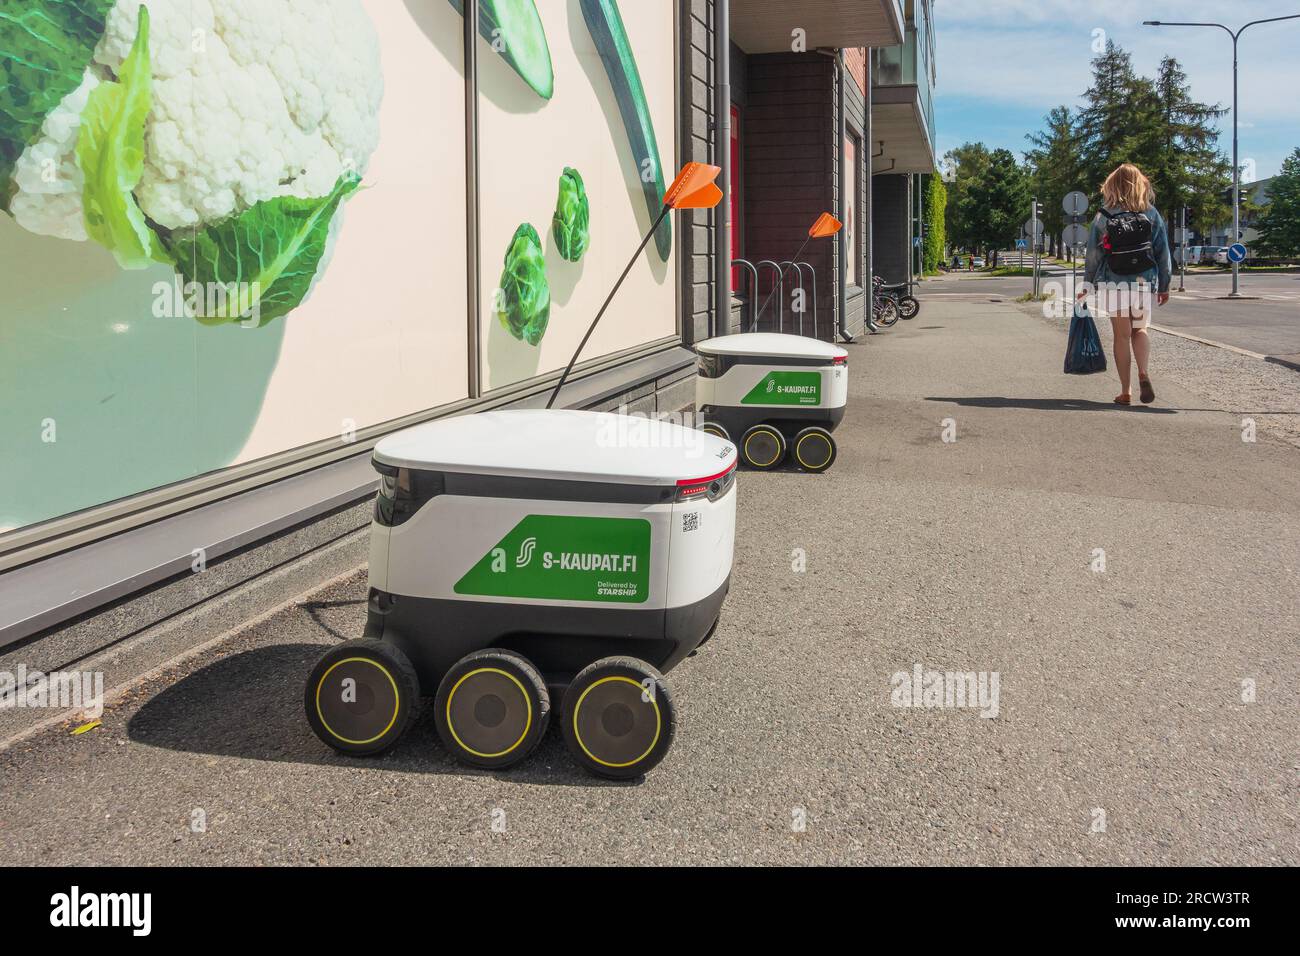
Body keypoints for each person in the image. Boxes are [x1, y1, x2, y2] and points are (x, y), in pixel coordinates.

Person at [1081, 163, 1172, 405]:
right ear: (1141, 184)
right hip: (1144, 281)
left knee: (1121, 336)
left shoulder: (1104, 215)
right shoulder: (1151, 213)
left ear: (1112, 185)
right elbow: (1162, 252)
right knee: (1140, 330)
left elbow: (1093, 254)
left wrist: (1087, 284)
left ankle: (1126, 391)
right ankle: (1143, 372)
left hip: (1115, 281)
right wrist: (1164, 284)